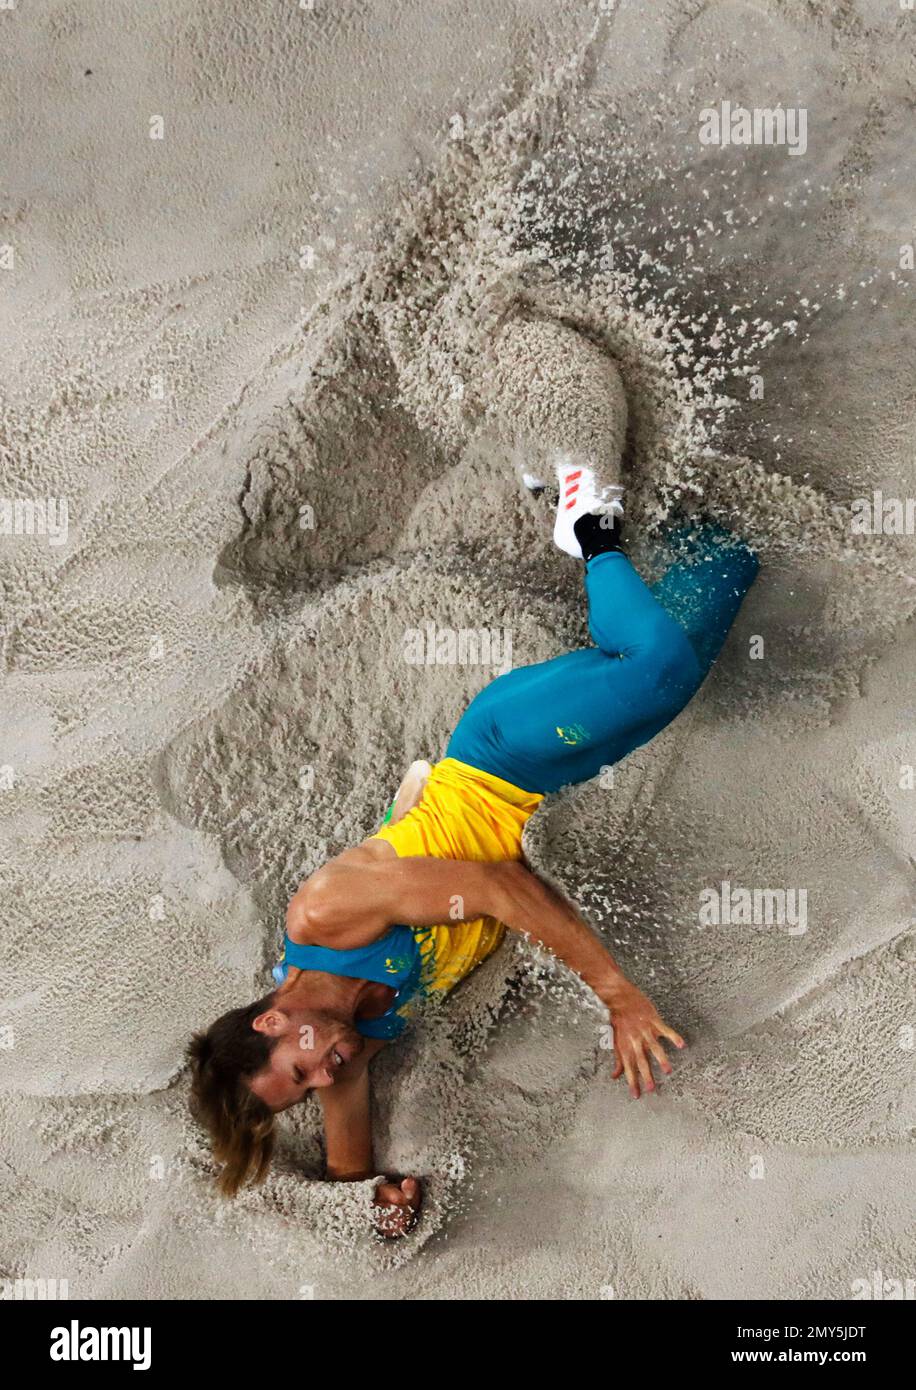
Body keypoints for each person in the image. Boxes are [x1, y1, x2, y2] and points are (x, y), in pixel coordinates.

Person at [187, 456, 758, 1237]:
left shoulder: (326, 916)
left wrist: (620, 999)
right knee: (727, 567)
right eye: (310, 1090)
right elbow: (350, 1174)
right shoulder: (352, 1048)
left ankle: (586, 522)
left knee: (657, 669)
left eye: (302, 1066)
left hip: (503, 758)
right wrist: (379, 1210)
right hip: (536, 791)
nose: (328, 1075)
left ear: (271, 1022)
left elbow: (500, 889)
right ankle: (705, 508)